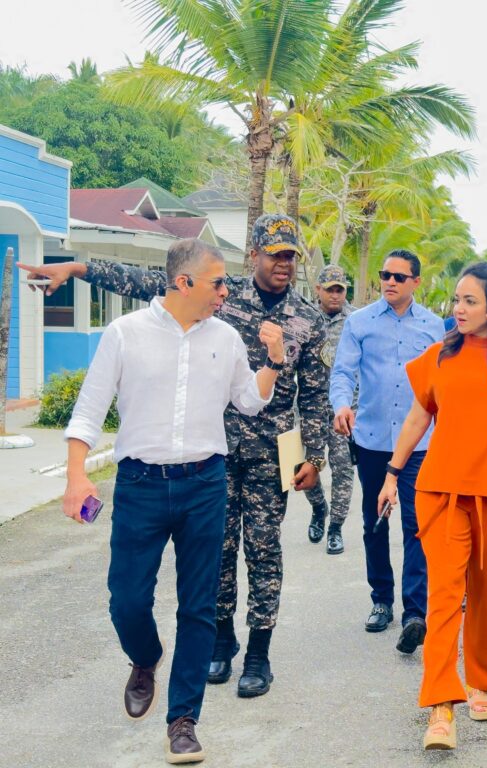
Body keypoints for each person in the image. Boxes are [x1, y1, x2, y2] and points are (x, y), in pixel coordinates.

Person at [20, 214, 331, 698]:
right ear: (254, 255)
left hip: (274, 453)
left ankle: (259, 654)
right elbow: (146, 280)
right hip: (216, 452)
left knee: (265, 550)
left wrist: (314, 456)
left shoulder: (307, 319)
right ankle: (220, 644)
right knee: (218, 556)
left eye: (291, 256)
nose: (284, 264)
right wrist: (78, 269)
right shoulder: (218, 298)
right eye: (275, 255)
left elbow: (314, 396)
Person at [62, 240, 283, 764]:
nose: (226, 292)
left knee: (198, 606)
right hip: (139, 484)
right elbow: (89, 410)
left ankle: (183, 720)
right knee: (128, 601)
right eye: (217, 283)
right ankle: (145, 657)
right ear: (183, 282)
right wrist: (76, 477)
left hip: (206, 484)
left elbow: (249, 400)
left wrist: (274, 360)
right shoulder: (125, 334)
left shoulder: (226, 337)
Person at [378, 262, 487, 751]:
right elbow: (416, 419)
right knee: (444, 596)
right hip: (442, 491)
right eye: (456, 299)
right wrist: (392, 473)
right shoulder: (438, 356)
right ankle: (439, 707)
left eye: (470, 301)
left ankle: (480, 679)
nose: (459, 309)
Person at [331, 249, 445, 652]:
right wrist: (341, 403)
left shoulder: (434, 327)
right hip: (374, 440)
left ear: (416, 281)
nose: (390, 282)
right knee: (375, 522)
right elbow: (343, 371)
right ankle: (381, 600)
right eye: (385, 275)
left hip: (419, 445)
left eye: (399, 276)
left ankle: (416, 611)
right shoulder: (359, 322)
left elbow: (443, 383)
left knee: (418, 525)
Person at [305, 265, 355, 555]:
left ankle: (335, 527)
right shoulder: (305, 318)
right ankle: (318, 507)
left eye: (340, 289)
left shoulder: (356, 320)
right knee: (305, 465)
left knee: (342, 470)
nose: (335, 295)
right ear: (318, 290)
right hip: (310, 406)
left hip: (344, 410)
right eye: (330, 289)